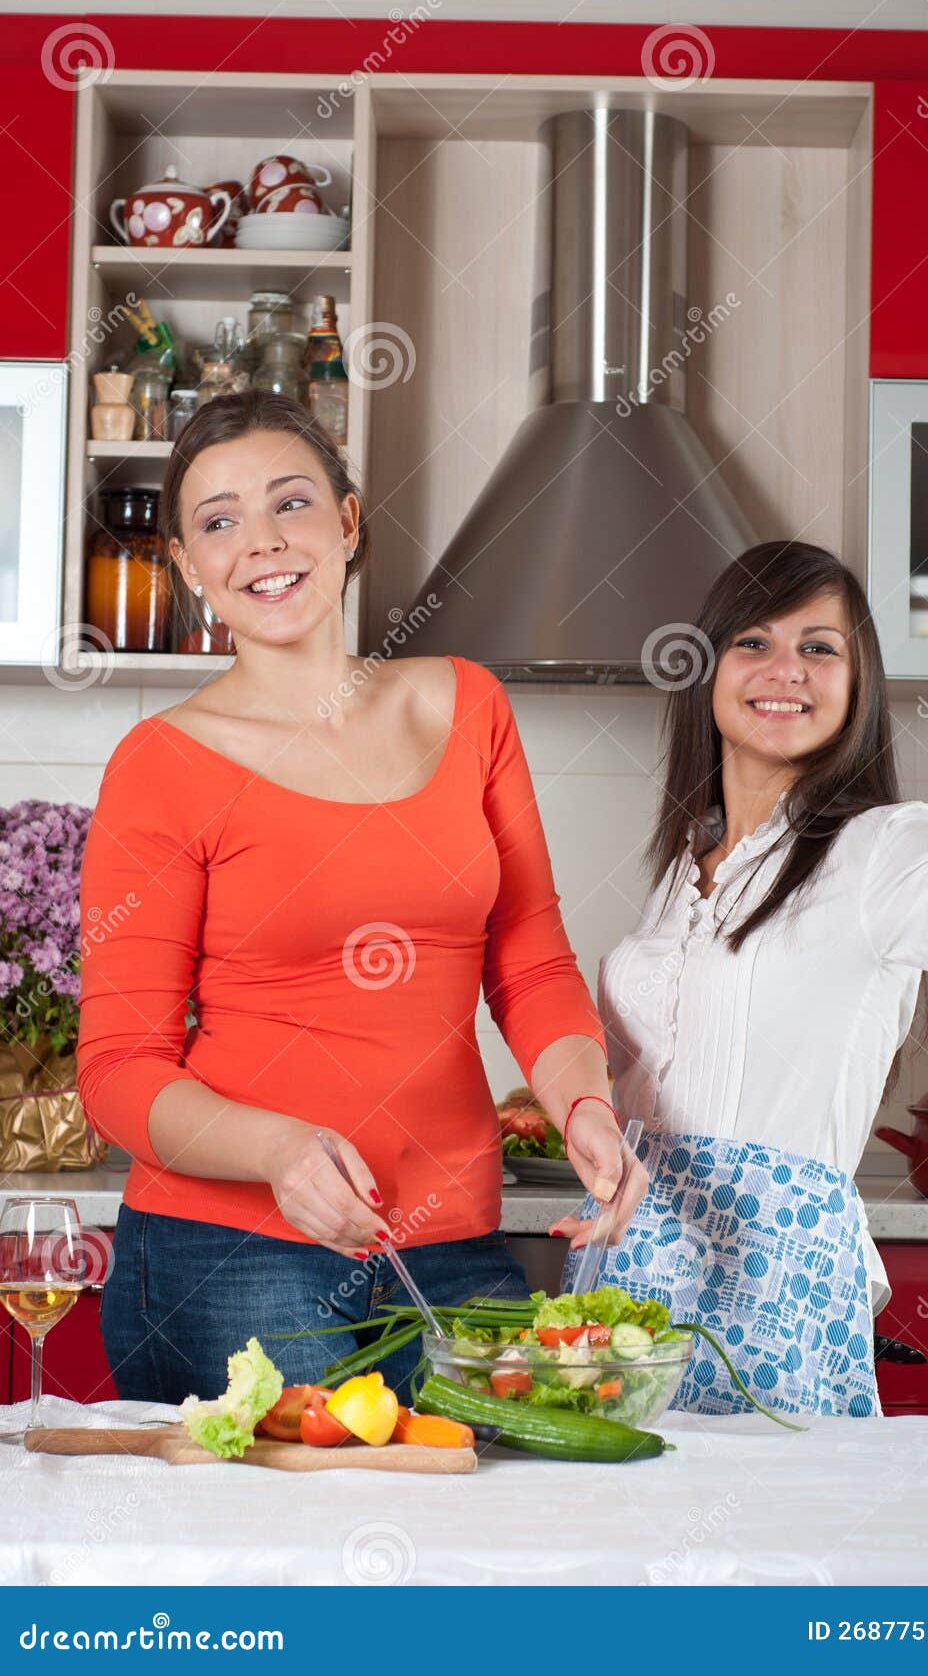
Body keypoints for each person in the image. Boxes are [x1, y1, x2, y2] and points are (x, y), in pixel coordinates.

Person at [77, 390, 641, 1407]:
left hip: (453, 1243)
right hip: (234, 1252)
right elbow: (118, 1069)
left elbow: (531, 960)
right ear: (187, 567)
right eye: (218, 522)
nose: (261, 542)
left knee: (499, 1538)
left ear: (346, 521)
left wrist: (584, 1108)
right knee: (305, 1558)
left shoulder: (466, 705)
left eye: (290, 503)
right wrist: (277, 1148)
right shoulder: (162, 765)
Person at [552, 541, 928, 1418]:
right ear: (707, 670)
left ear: (856, 686)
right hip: (629, 1259)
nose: (784, 669)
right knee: (618, 1536)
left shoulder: (880, 845)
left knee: (763, 1541)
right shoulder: (687, 860)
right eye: (753, 641)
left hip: (770, 1267)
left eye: (819, 647)